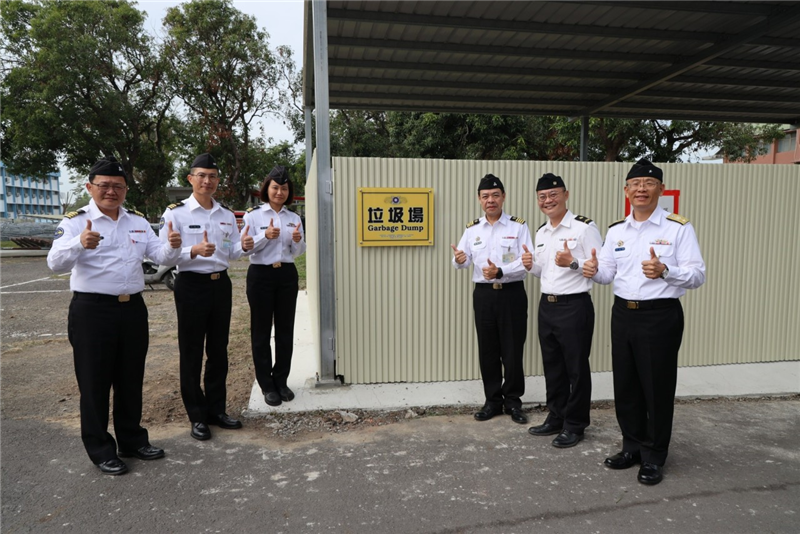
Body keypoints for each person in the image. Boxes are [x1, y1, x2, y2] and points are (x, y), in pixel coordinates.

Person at [47, 156, 182, 475]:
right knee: (94, 382)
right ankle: (100, 449)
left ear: (125, 189)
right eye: (104, 185)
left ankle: (132, 440)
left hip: (132, 309)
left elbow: (158, 254)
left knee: (130, 378)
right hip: (92, 311)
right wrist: (79, 244)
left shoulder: (136, 221)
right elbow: (55, 263)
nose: (111, 191)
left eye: (118, 186)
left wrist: (173, 246)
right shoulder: (76, 222)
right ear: (89, 187)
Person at [583, 158, 706, 485]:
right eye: (635, 184)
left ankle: (654, 455)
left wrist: (666, 271)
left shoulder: (677, 228)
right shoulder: (616, 231)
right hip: (623, 314)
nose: (641, 189)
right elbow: (607, 274)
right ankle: (632, 447)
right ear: (626, 190)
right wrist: (592, 271)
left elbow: (697, 275)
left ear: (660, 189)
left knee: (656, 387)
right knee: (626, 385)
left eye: (649, 183)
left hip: (659, 316)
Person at [159, 153, 245, 441]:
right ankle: (197, 415)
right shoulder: (176, 213)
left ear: (218, 181)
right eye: (202, 176)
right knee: (192, 351)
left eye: (212, 176)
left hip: (220, 285)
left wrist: (246, 244)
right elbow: (163, 255)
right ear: (190, 179)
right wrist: (191, 251)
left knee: (219, 350)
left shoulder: (226, 215)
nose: (207, 181)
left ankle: (216, 410)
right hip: (191, 285)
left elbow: (232, 251)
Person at [522, 173, 602, 448]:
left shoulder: (584, 228)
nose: (548, 200)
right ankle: (556, 416)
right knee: (553, 366)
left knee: (576, 368)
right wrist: (530, 265)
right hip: (547, 305)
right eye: (542, 197)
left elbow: (599, 268)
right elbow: (543, 271)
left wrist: (573, 263)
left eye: (553, 194)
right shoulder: (541, 232)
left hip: (574, 306)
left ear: (566, 195)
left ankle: (575, 425)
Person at [451, 174, 532, 425]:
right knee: (488, 350)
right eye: (485, 196)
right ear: (479, 199)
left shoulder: (518, 227)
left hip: (512, 294)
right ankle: (492, 401)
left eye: (495, 195)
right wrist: (459, 260)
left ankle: (513, 402)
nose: (490, 200)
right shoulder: (472, 229)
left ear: (503, 197)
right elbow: (460, 260)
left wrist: (501, 271)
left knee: (512, 350)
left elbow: (528, 262)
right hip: (484, 296)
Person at [240, 165, 306, 407]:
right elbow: (244, 248)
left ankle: (281, 381)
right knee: (261, 331)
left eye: (284, 189)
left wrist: (297, 241)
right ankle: (266, 384)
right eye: (275, 188)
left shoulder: (294, 218)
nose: (280, 192)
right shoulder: (253, 216)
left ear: (289, 192)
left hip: (286, 275)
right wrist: (263, 236)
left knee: (285, 330)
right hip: (261, 275)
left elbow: (298, 252)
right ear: (266, 189)